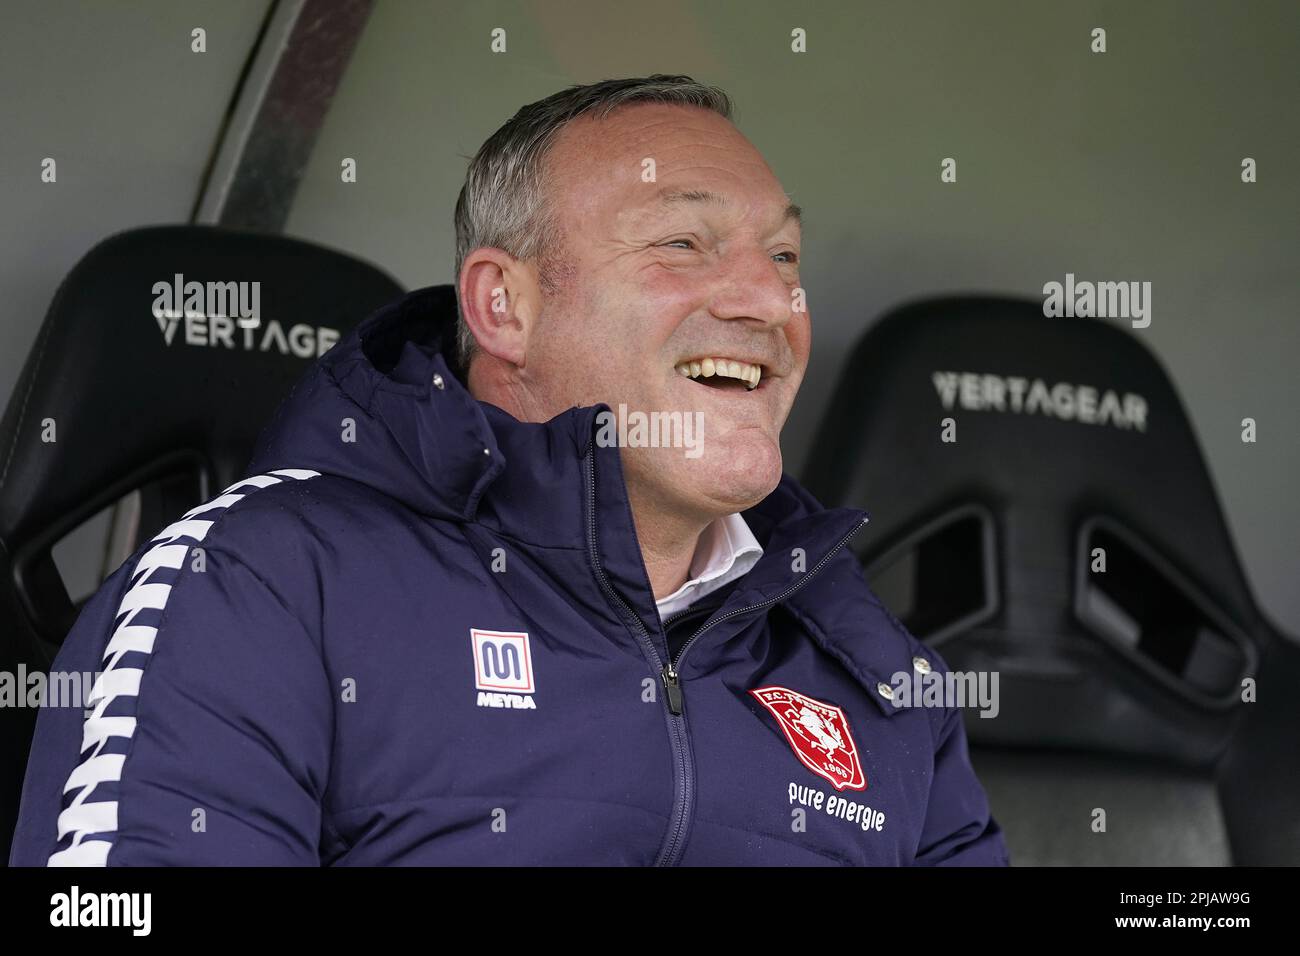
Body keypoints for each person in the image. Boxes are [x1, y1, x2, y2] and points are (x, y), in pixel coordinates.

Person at [10, 75, 1009, 866]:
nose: (767, 298)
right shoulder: (259, 583)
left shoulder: (877, 673)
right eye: (684, 243)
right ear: (504, 307)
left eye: (785, 258)